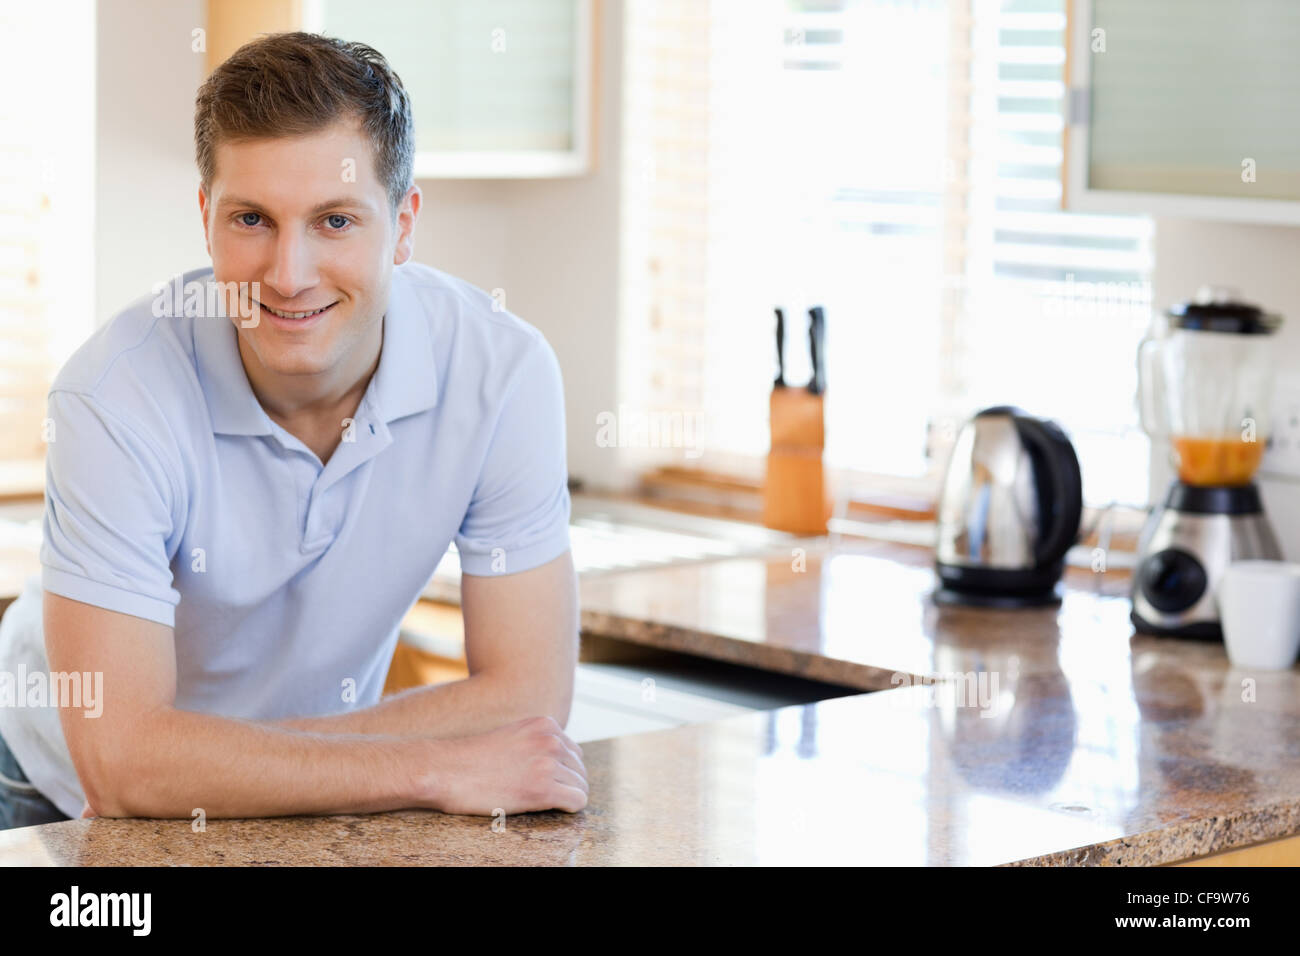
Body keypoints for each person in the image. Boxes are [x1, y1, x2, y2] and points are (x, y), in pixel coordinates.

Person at [0, 32, 587, 830]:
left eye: (336, 221)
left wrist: (215, 762)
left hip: (314, 802)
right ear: (206, 218)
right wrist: (432, 763)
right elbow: (125, 768)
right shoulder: (113, 395)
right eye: (252, 219)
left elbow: (529, 696)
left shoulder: (503, 373)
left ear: (405, 224)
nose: (289, 273)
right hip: (49, 797)